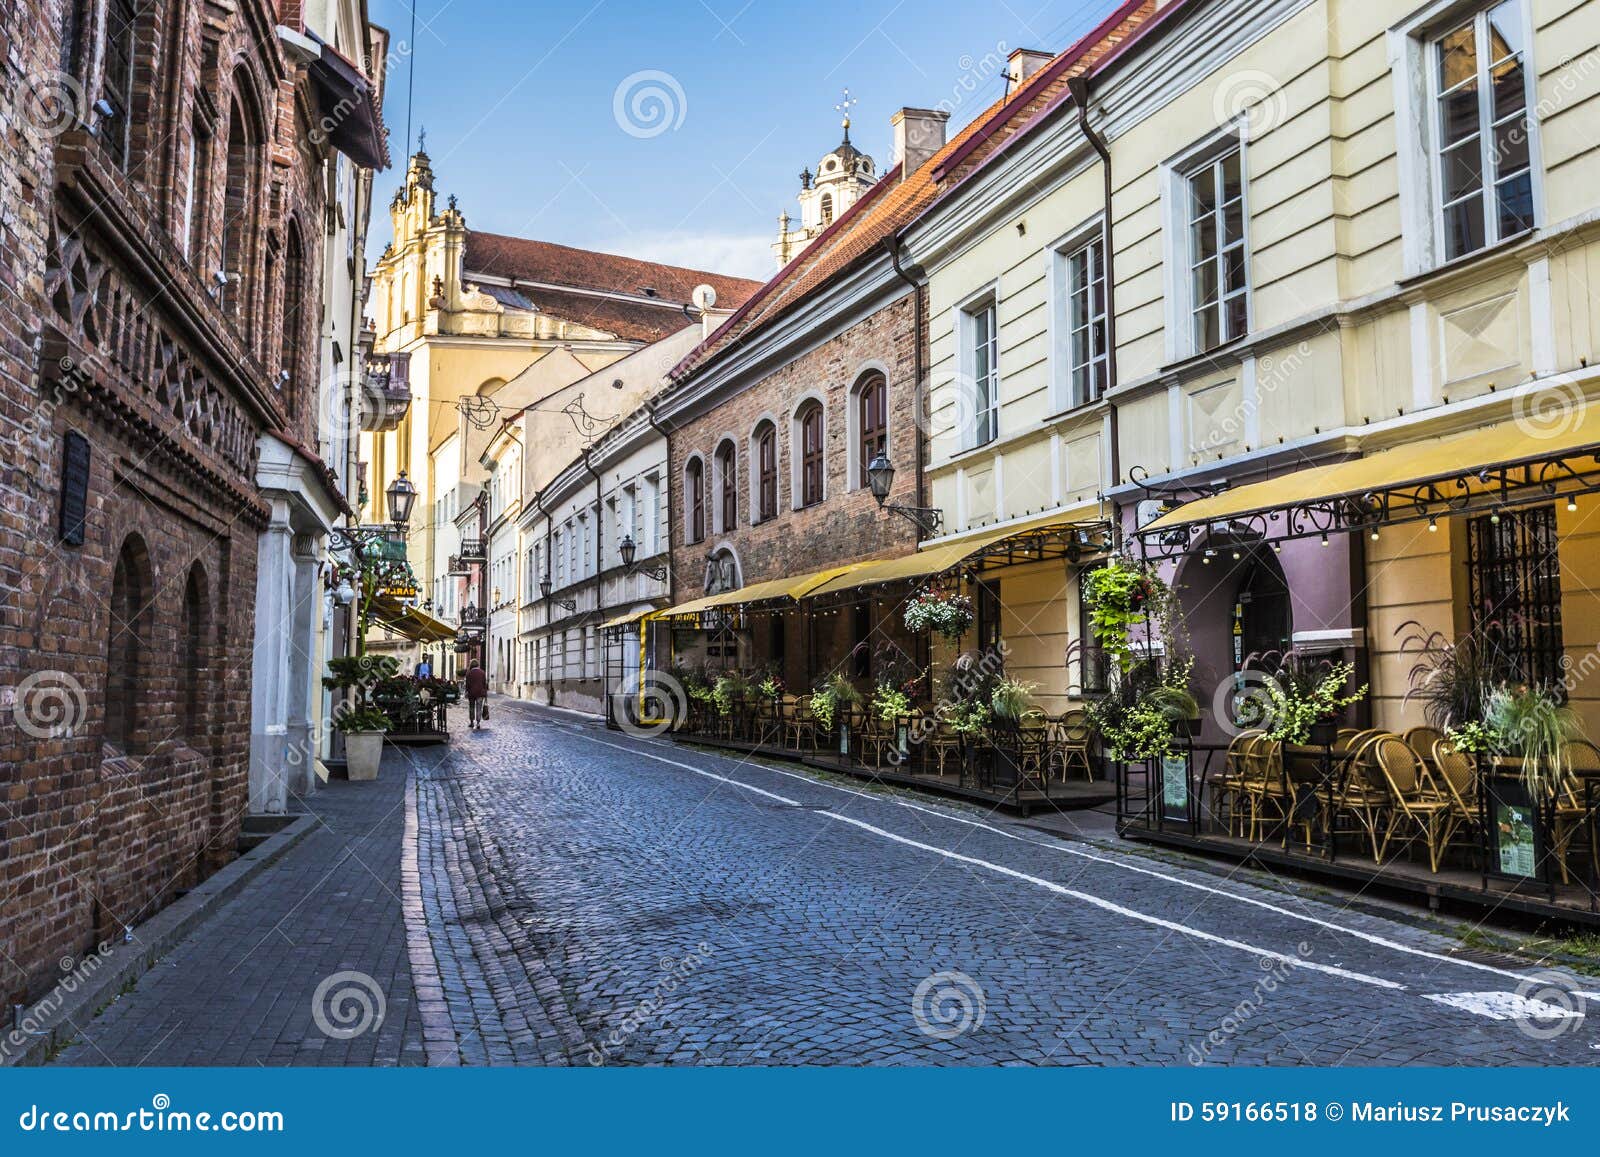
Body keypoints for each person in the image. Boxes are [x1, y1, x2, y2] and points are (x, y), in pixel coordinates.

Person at [464, 660, 489, 729]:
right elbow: (484, 684)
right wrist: (485, 694)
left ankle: (472, 722)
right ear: (478, 665)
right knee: (479, 708)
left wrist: (467, 691)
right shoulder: (482, 672)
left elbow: (467, 684)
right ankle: (478, 723)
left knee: (471, 708)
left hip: (471, 693)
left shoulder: (469, 673)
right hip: (480, 693)